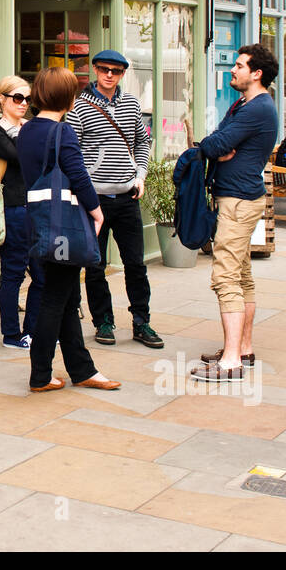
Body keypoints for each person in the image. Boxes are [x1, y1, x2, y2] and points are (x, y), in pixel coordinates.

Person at [16, 67, 119, 393]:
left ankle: (82, 368)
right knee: (55, 297)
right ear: (68, 98)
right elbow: (79, 177)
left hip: (40, 222)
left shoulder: (27, 130)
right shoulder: (63, 131)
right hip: (64, 226)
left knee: (67, 295)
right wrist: (97, 212)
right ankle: (40, 373)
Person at [191, 44, 279, 383]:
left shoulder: (258, 108)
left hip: (238, 202)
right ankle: (243, 348)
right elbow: (218, 140)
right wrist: (220, 146)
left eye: (240, 65)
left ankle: (230, 362)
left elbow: (213, 144)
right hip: (240, 198)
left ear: (256, 73)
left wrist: (218, 147)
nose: (233, 69)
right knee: (242, 277)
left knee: (225, 278)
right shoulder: (244, 104)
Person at [66, 49, 159, 348]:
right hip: (94, 201)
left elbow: (142, 142)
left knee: (136, 265)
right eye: (104, 69)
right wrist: (84, 191)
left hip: (128, 196)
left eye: (116, 71)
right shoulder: (79, 107)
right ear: (95, 69)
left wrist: (140, 175)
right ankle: (103, 321)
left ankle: (141, 322)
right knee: (95, 265)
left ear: (122, 74)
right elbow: (72, 152)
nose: (109, 75)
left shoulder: (132, 103)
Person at [0, 76, 41, 349]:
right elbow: (19, 157)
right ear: (2, 99)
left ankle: (32, 330)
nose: (24, 103)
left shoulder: (30, 128)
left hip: (38, 207)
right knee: (14, 273)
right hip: (14, 209)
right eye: (18, 98)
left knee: (41, 274)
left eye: (28, 99)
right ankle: (11, 335)